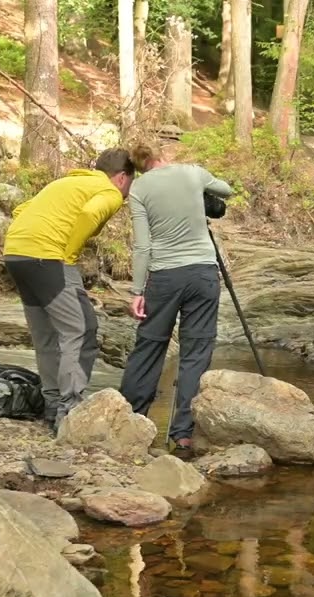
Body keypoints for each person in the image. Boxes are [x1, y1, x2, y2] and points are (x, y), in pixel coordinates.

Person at [2, 148, 135, 432]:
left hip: (15, 253)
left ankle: (51, 405)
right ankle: (70, 408)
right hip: (48, 257)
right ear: (122, 177)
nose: (126, 195)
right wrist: (70, 253)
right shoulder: (109, 192)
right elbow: (90, 213)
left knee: (46, 334)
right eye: (130, 185)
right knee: (81, 329)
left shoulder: (66, 183)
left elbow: (21, 210)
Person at [118, 143, 234, 459]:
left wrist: (137, 291)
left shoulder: (139, 189)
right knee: (196, 352)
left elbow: (143, 247)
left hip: (164, 277)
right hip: (202, 273)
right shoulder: (191, 172)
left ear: (139, 167)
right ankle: (182, 436)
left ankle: (131, 419)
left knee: (150, 346)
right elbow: (226, 191)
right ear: (162, 156)